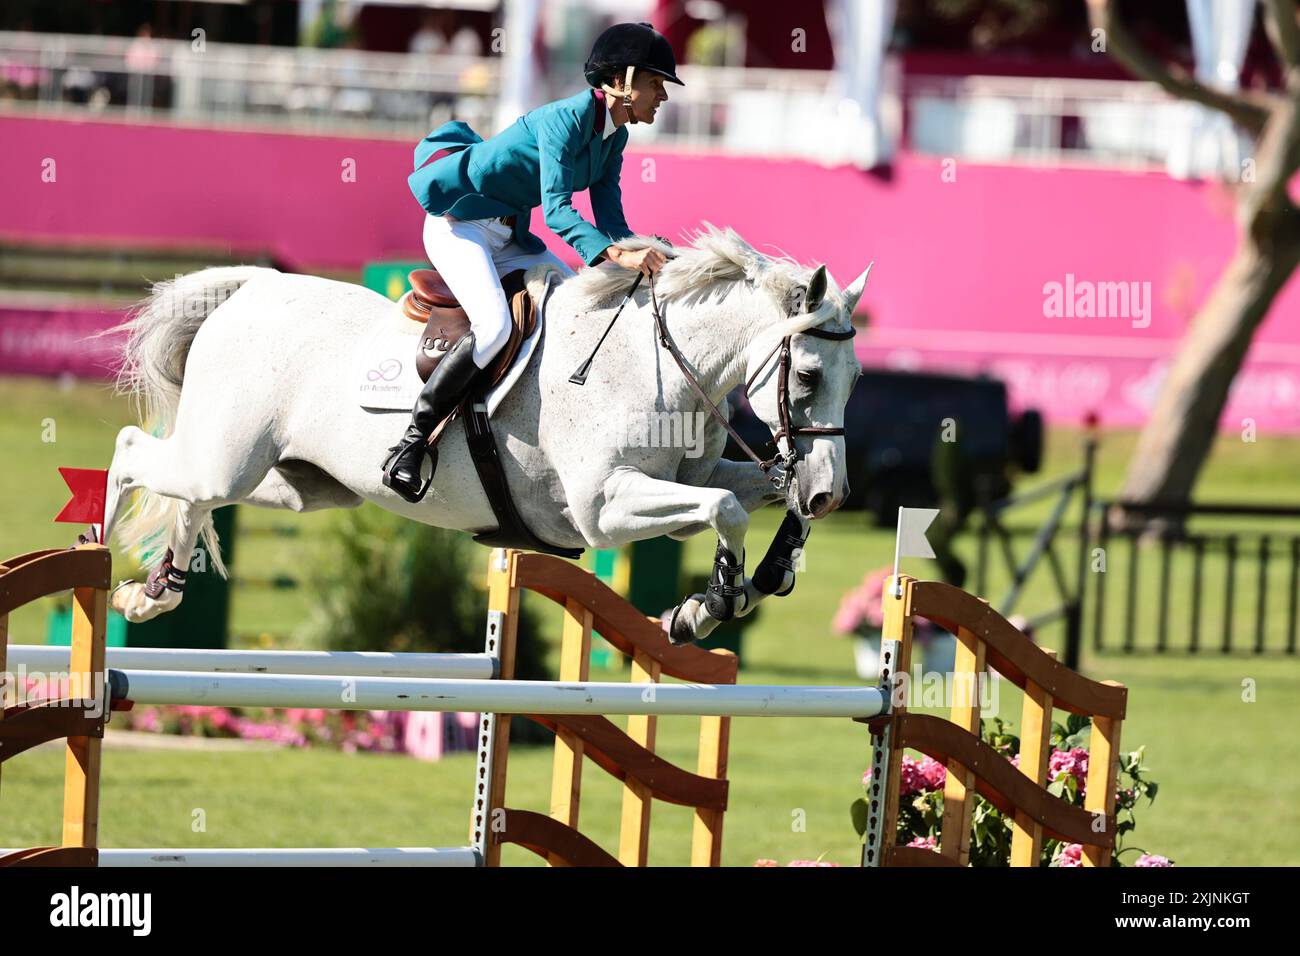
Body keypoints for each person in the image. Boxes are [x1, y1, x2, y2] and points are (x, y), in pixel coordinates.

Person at [382, 21, 682, 503]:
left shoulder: (614, 138)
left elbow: (610, 217)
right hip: (460, 224)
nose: (662, 96)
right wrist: (619, 254)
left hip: (509, 235)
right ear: (621, 82)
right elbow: (560, 209)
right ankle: (411, 442)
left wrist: (650, 252)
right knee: (496, 326)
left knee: (576, 311)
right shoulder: (564, 120)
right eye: (655, 83)